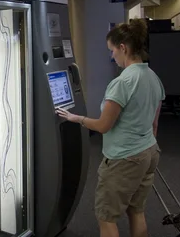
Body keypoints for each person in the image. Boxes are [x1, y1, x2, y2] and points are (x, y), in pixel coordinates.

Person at [56, 18, 165, 237]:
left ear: (123, 48)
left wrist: (76, 118)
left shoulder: (123, 83)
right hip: (149, 152)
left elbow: (104, 126)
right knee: (136, 210)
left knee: (106, 217)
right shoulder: (153, 77)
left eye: (112, 51)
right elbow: (154, 125)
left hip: (124, 158)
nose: (112, 56)